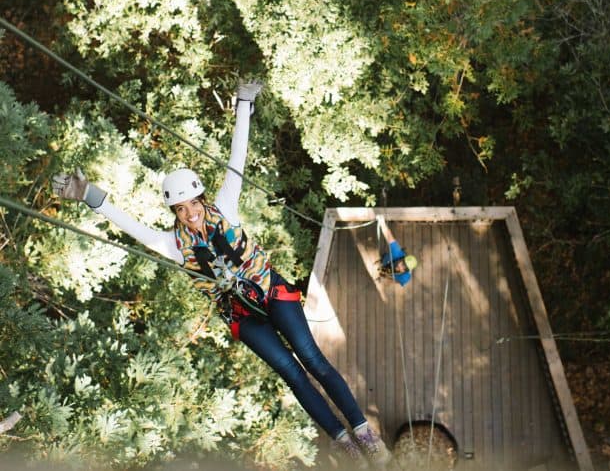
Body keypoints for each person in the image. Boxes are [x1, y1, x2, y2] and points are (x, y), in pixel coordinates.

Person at [52, 81, 390, 469]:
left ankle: (364, 431)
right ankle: (343, 440)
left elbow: (237, 159)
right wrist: (89, 195)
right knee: (292, 375)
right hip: (242, 317)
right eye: (180, 209)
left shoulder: (225, 206)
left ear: (201, 199)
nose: (190, 213)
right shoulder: (172, 245)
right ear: (175, 213)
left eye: (192, 204)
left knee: (312, 358)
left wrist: (243, 104)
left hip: (269, 291)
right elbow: (131, 226)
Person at [376, 215, 417, 286]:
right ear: (402, 259)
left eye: (404, 268)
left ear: (407, 271)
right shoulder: (397, 253)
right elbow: (389, 237)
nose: (400, 267)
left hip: (391, 272)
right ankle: (382, 260)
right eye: (402, 263)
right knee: (384, 259)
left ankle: (383, 265)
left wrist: (387, 278)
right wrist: (382, 223)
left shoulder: (405, 278)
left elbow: (398, 282)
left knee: (385, 271)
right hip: (387, 259)